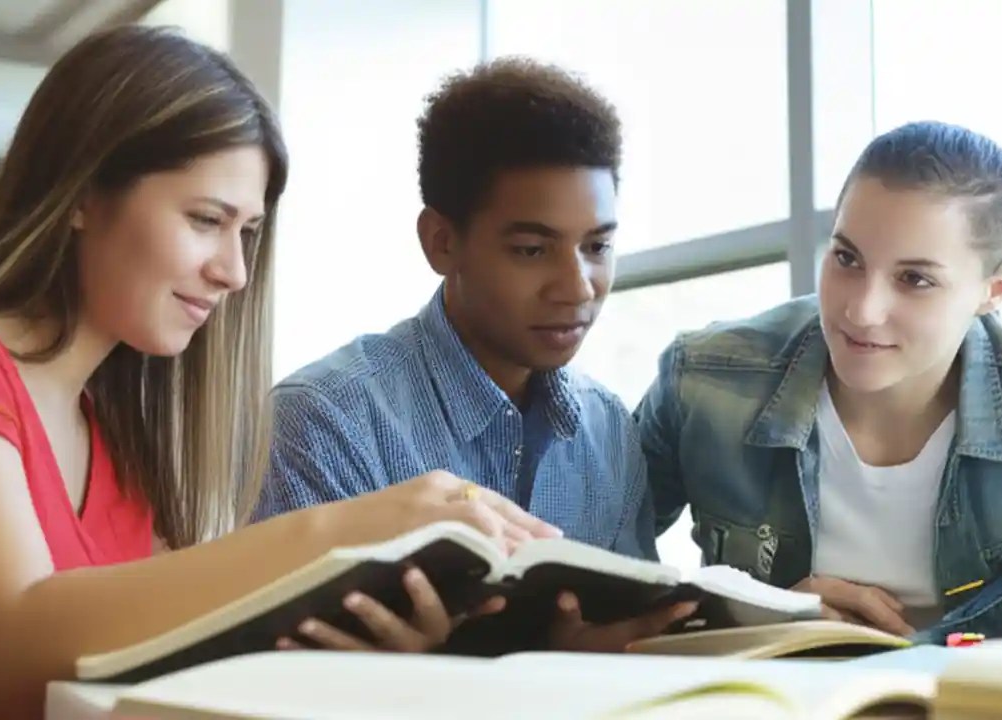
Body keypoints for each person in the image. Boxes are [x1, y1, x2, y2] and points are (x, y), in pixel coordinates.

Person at [0, 27, 559, 720]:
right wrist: (339, 532)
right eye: (207, 219)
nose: (233, 272)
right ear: (83, 193)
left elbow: (145, 676)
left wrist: (355, 644)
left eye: (247, 233)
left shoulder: (119, 440)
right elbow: (14, 653)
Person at [635, 121, 1002, 643]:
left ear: (994, 289)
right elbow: (592, 592)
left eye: (915, 279)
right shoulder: (706, 384)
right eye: (847, 258)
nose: (862, 310)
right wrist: (757, 617)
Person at [258, 58, 694, 652]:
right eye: (532, 250)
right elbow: (276, 682)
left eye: (597, 246)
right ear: (441, 242)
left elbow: (629, 637)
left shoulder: (609, 431)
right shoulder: (322, 424)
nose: (578, 286)